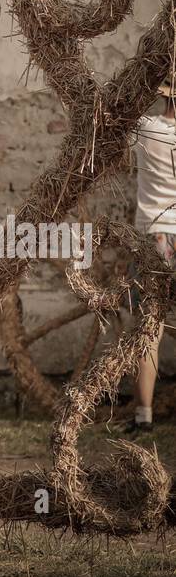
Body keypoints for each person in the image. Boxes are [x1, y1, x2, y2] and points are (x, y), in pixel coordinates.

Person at [125, 82, 176, 435]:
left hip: (156, 237)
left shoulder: (146, 128)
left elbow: (118, 108)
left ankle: (143, 415)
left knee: (148, 330)